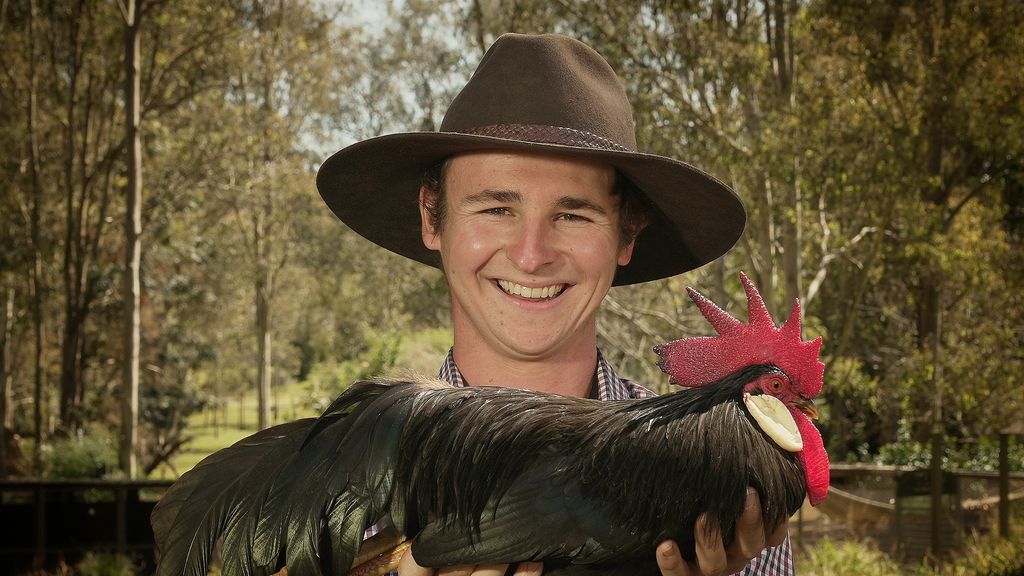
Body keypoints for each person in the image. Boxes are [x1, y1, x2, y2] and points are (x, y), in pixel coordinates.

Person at [315, 33, 792, 576]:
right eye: (496, 208)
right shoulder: (332, 481)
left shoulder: (727, 496)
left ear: (627, 235)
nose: (531, 254)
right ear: (432, 218)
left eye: (573, 215)